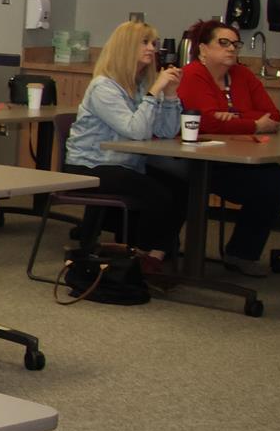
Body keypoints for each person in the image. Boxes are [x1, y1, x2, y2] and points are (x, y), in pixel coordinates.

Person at [63, 20, 187, 272]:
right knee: (157, 193)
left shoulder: (140, 86)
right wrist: (155, 91)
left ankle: (154, 254)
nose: (152, 48)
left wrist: (171, 94)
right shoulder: (104, 87)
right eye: (145, 43)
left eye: (153, 43)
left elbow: (166, 131)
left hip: (126, 164)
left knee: (181, 186)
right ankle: (141, 254)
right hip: (91, 165)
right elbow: (136, 131)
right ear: (126, 47)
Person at [176, 18, 280, 276]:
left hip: (237, 156)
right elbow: (206, 121)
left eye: (235, 44)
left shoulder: (242, 74)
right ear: (203, 48)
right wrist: (252, 123)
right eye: (223, 43)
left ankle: (241, 253)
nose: (231, 49)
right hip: (199, 158)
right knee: (268, 183)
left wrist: (233, 117)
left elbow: (273, 115)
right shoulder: (193, 74)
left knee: (277, 181)